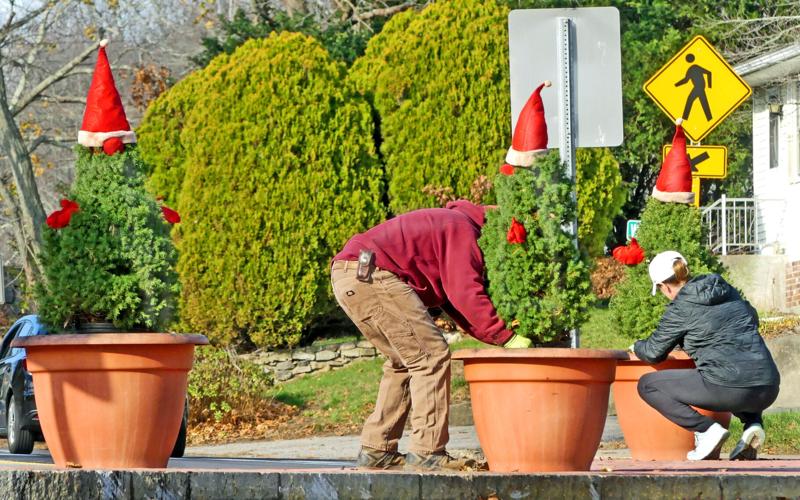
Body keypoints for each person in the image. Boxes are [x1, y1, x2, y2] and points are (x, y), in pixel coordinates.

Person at [330, 200, 531, 472]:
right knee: (430, 356)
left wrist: (496, 335)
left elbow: (455, 302)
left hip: (351, 275)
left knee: (404, 361)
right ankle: (428, 453)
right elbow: (466, 295)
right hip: (373, 274)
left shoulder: (450, 224)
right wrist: (507, 337)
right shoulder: (462, 230)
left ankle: (377, 450)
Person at [633, 251, 780, 461]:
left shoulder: (681, 307)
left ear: (664, 287)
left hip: (729, 387)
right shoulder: (725, 289)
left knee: (648, 385)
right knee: (738, 369)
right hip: (768, 386)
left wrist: (636, 345)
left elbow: (653, 352)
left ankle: (707, 430)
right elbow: (752, 316)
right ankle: (753, 425)